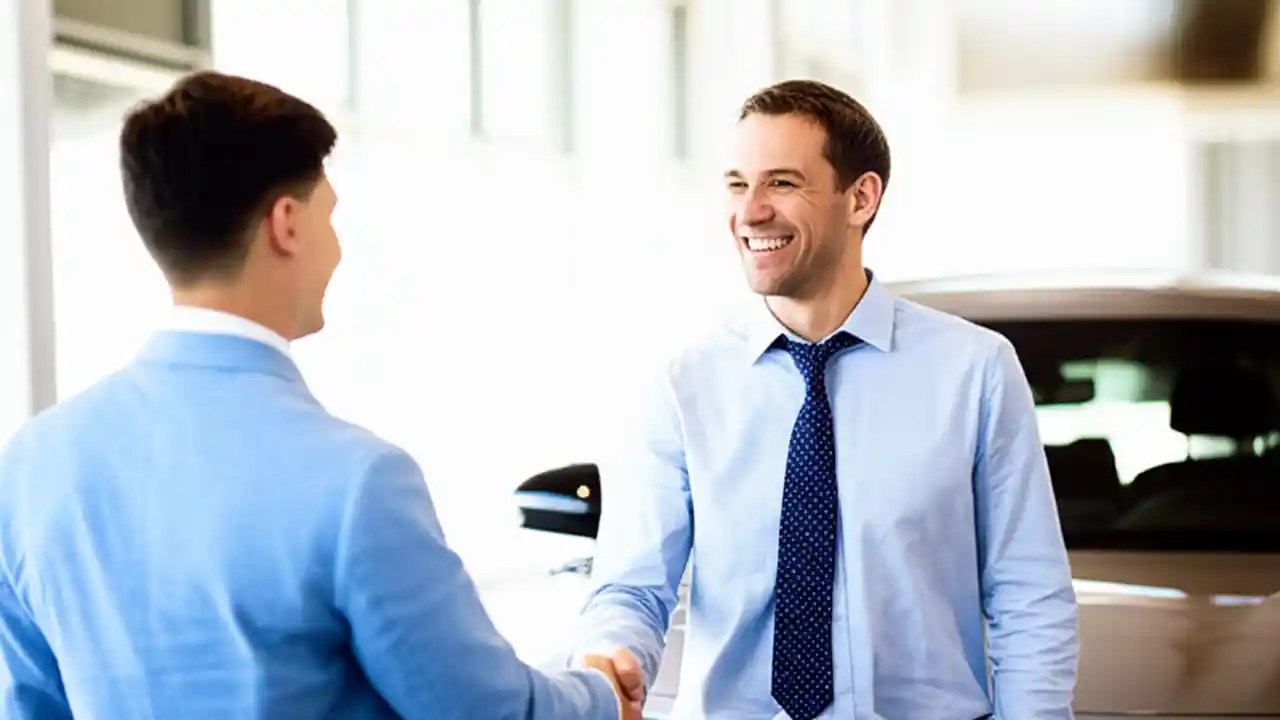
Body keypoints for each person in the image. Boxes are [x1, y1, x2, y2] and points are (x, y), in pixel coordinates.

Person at [0, 70, 641, 720]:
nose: (336, 249)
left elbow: (31, 707)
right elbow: (488, 713)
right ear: (286, 224)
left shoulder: (29, 468)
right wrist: (599, 695)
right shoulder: (357, 483)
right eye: (328, 215)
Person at [572, 79, 1079, 719]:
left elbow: (1028, 598)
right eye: (737, 183)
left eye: (781, 183)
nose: (750, 212)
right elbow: (630, 587)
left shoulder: (973, 371)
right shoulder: (685, 386)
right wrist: (611, 654)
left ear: (860, 198)